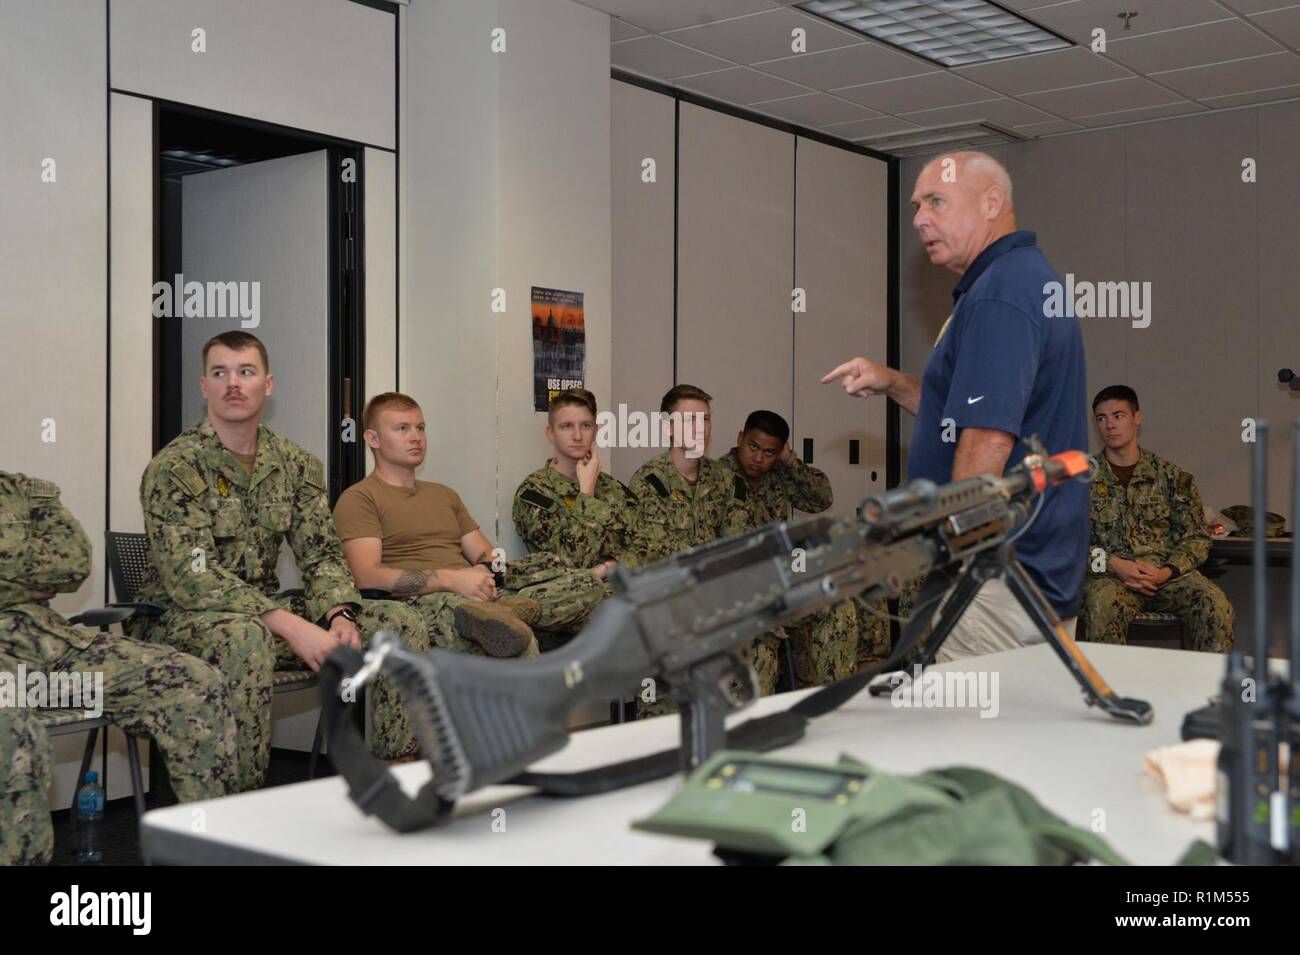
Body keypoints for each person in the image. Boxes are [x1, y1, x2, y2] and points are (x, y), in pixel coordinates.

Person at [824, 151, 1088, 661]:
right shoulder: (1023, 279)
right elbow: (971, 414)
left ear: (991, 203)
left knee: (974, 714)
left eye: (937, 201)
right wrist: (894, 383)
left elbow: (987, 439)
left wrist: (951, 554)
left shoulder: (1000, 293)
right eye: (917, 205)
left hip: (994, 581)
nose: (919, 219)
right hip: (1030, 572)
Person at [134, 332, 429, 791]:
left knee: (399, 622)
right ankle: (241, 802)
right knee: (245, 637)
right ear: (204, 386)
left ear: (267, 384)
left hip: (263, 617)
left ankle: (399, 775)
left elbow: (321, 553)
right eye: (220, 373)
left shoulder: (295, 464)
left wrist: (338, 613)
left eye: (246, 372)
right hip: (179, 620)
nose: (234, 383)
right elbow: (192, 579)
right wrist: (289, 625)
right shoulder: (175, 467)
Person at [1, 470, 237, 843]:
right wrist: (30, 576)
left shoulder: (22, 490)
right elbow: (53, 566)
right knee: (10, 723)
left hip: (52, 657)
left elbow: (75, 563)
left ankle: (210, 846)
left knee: (193, 682)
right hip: (10, 674)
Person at [335, 392, 606, 655]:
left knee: (585, 582)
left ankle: (506, 612)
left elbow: (488, 554)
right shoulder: (360, 498)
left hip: (476, 594)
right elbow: (367, 576)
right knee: (517, 642)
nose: (416, 437)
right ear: (373, 439)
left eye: (420, 428)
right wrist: (452, 580)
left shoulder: (443, 494)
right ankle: (501, 619)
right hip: (426, 602)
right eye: (402, 428)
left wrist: (480, 573)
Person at [629, 385, 780, 709]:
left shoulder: (726, 481)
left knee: (759, 642)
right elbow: (657, 555)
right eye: (691, 420)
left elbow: (739, 544)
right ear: (668, 427)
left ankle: (741, 729)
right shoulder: (648, 482)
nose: (701, 428)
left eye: (706, 419)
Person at [718, 410, 888, 683]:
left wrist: (789, 461)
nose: (758, 458)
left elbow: (821, 498)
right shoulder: (717, 478)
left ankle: (835, 692)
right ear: (740, 438)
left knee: (838, 601)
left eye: (770, 452)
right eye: (753, 447)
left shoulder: (779, 475)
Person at [1081, 386, 1233, 652]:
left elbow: (1196, 538)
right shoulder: (1082, 480)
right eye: (1101, 418)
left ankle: (1211, 680)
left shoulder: (1172, 477)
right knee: (1099, 602)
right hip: (1111, 578)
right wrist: (1114, 564)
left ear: (1137, 418)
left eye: (1118, 416)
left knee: (1215, 605)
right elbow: (1069, 543)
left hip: (1167, 577)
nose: (1110, 425)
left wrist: (1166, 572)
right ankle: (1108, 680)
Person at [513, 388, 643, 584]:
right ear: (551, 433)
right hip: (574, 599)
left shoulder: (613, 488)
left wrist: (607, 567)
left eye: (585, 425)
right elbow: (571, 563)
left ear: (595, 431)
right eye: (566, 426)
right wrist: (586, 494)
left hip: (626, 593)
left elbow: (651, 547)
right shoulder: (535, 493)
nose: (577, 436)